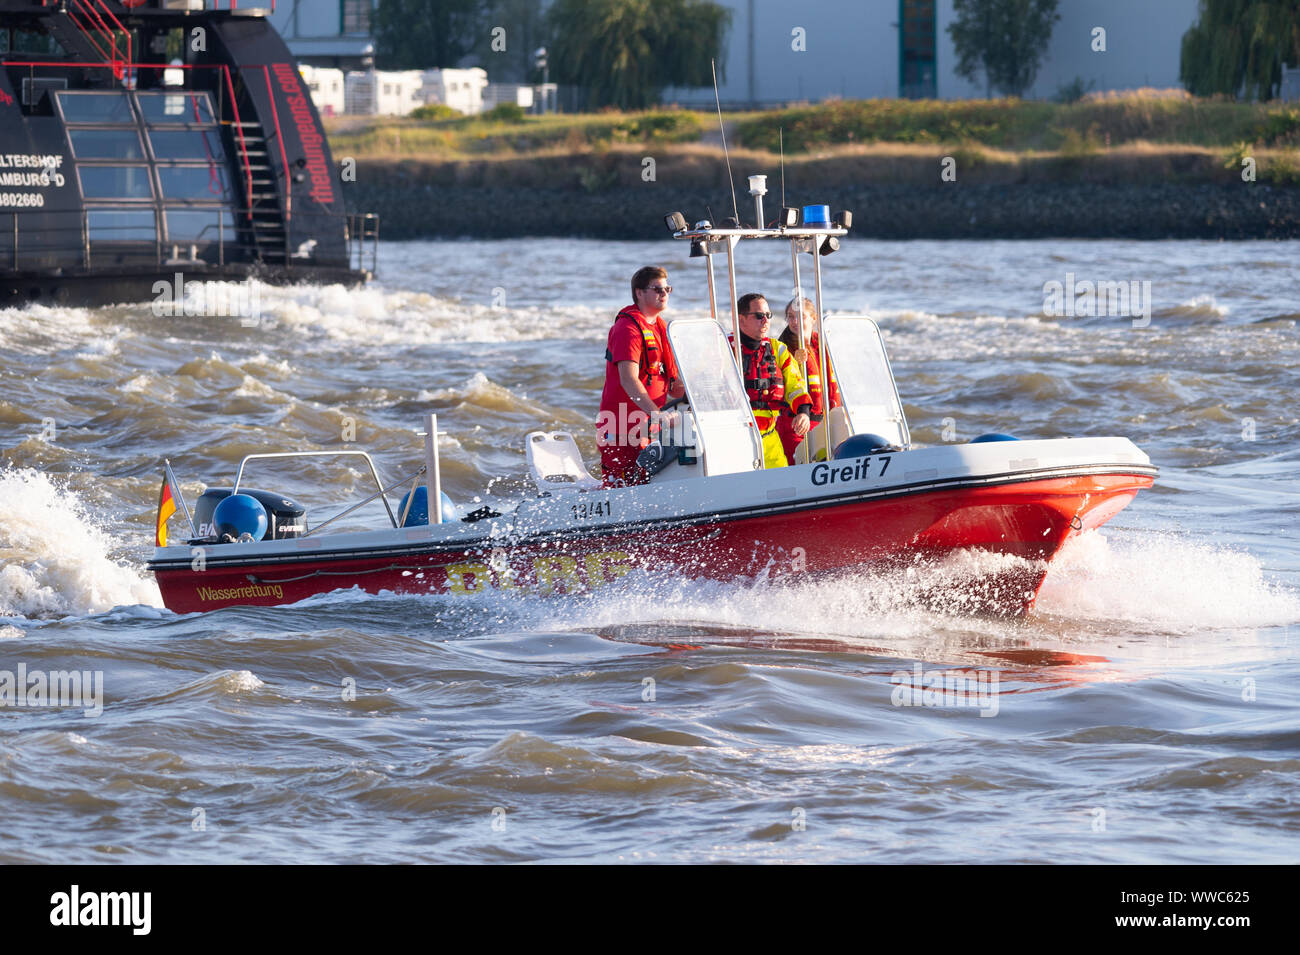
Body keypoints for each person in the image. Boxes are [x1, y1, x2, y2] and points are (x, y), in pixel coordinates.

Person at [595, 266, 685, 487]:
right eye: (657, 289)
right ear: (639, 293)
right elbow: (628, 379)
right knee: (621, 486)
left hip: (648, 425)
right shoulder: (628, 328)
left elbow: (672, 387)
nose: (664, 294)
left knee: (646, 482)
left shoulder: (660, 328)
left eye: (667, 289)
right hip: (622, 425)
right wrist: (656, 414)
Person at [729, 293, 811, 469]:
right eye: (759, 316)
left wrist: (803, 412)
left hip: (769, 435)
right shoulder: (724, 348)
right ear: (741, 320)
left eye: (768, 315)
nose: (765, 320)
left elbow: (795, 385)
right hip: (735, 434)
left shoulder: (778, 349)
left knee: (783, 479)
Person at [777, 295, 841, 463]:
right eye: (790, 316)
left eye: (800, 316)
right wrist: (795, 362)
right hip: (796, 423)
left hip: (823, 423)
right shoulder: (783, 348)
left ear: (813, 318)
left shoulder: (821, 344)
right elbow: (783, 385)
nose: (795, 321)